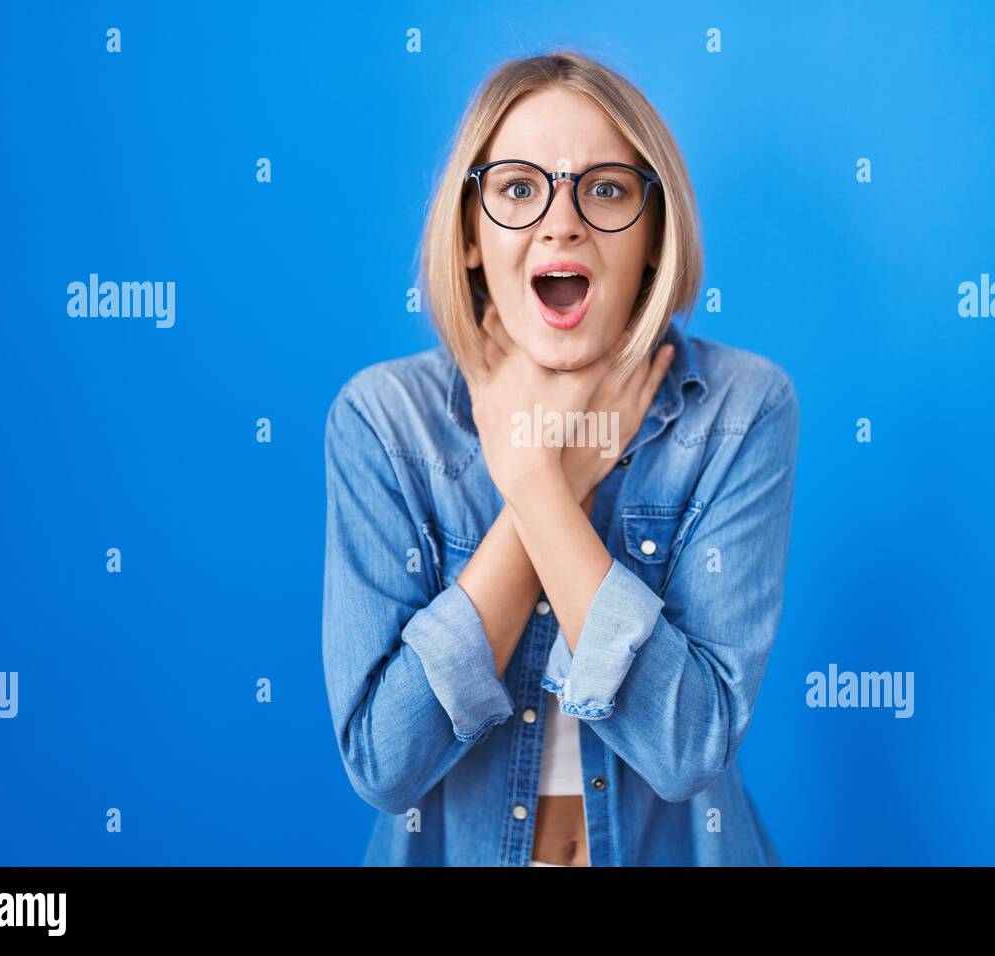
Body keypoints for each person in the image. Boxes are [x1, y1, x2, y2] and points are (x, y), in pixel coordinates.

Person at [322, 49, 800, 866]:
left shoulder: (740, 409)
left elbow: (691, 745)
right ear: (470, 235)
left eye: (605, 189)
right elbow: (383, 759)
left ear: (655, 234)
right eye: (517, 188)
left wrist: (542, 489)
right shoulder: (384, 419)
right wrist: (540, 485)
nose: (562, 220)